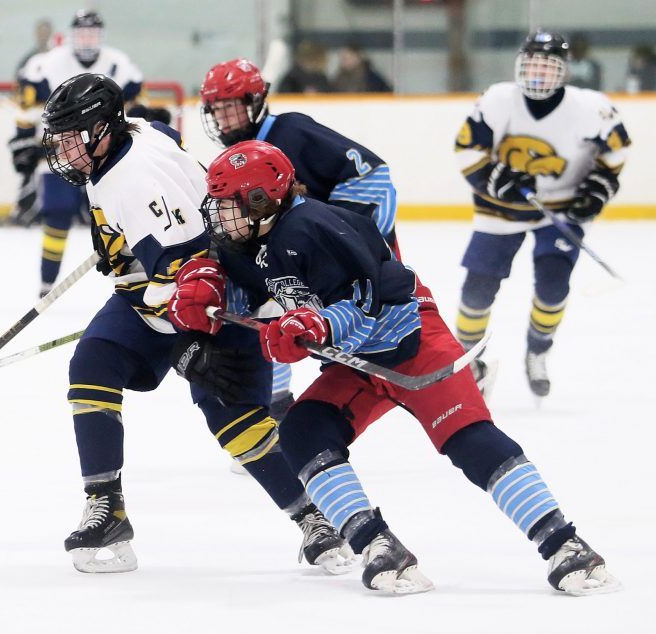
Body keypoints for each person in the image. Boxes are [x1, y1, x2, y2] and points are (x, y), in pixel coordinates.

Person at [169, 138, 620, 596]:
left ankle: (567, 546)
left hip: (412, 342)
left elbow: (367, 301)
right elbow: (243, 280)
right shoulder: (251, 237)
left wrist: (318, 324)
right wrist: (205, 286)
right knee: (304, 433)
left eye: (228, 204)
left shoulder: (313, 228)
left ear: (261, 200)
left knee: (468, 440)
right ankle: (379, 546)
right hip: (359, 363)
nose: (218, 215)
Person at [41, 73, 353, 575]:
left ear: (100, 130)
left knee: (235, 420)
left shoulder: (134, 184)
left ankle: (315, 518)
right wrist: (120, 245)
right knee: (93, 363)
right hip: (158, 287)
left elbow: (192, 274)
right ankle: (107, 508)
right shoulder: (136, 131)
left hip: (218, 294)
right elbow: (167, 136)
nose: (63, 151)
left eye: (71, 138)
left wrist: (185, 347)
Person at [200, 58, 403, 412]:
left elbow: (372, 174)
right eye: (216, 110)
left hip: (353, 256)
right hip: (304, 257)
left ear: (255, 101)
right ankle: (277, 404)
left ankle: (459, 377)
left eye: (230, 107)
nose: (223, 119)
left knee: (390, 338)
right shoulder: (241, 157)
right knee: (276, 314)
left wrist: (339, 235)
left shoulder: (291, 132)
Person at [453, 30, 629, 399]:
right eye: (532, 64)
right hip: (500, 211)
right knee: (477, 290)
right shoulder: (498, 99)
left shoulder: (590, 108)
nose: (538, 73)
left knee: (553, 286)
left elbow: (616, 152)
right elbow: (467, 148)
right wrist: (494, 178)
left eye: (547, 66)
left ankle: (538, 351)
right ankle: (468, 360)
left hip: (561, 211)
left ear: (564, 71)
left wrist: (595, 191)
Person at [12, 9, 143, 297]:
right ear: (71, 36)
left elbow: (132, 110)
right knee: (58, 212)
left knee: (118, 214)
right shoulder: (47, 63)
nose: (87, 40)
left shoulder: (119, 64)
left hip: (103, 154)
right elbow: (27, 107)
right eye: (82, 34)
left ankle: (134, 276)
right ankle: (47, 283)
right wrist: (23, 140)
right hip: (62, 151)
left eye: (92, 34)